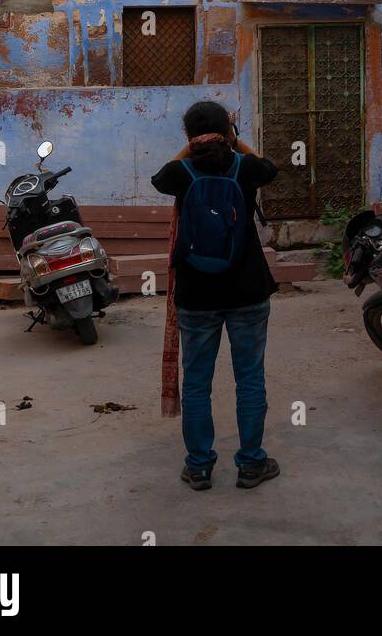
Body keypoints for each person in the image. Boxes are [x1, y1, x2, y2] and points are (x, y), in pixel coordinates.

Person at [152, 99, 280, 491]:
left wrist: (191, 145)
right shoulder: (246, 168)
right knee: (250, 379)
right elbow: (270, 167)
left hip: (197, 296)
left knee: (196, 383)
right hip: (248, 292)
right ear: (227, 131)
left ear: (189, 136)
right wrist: (235, 141)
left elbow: (161, 176)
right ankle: (251, 464)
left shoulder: (182, 172)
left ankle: (200, 465)